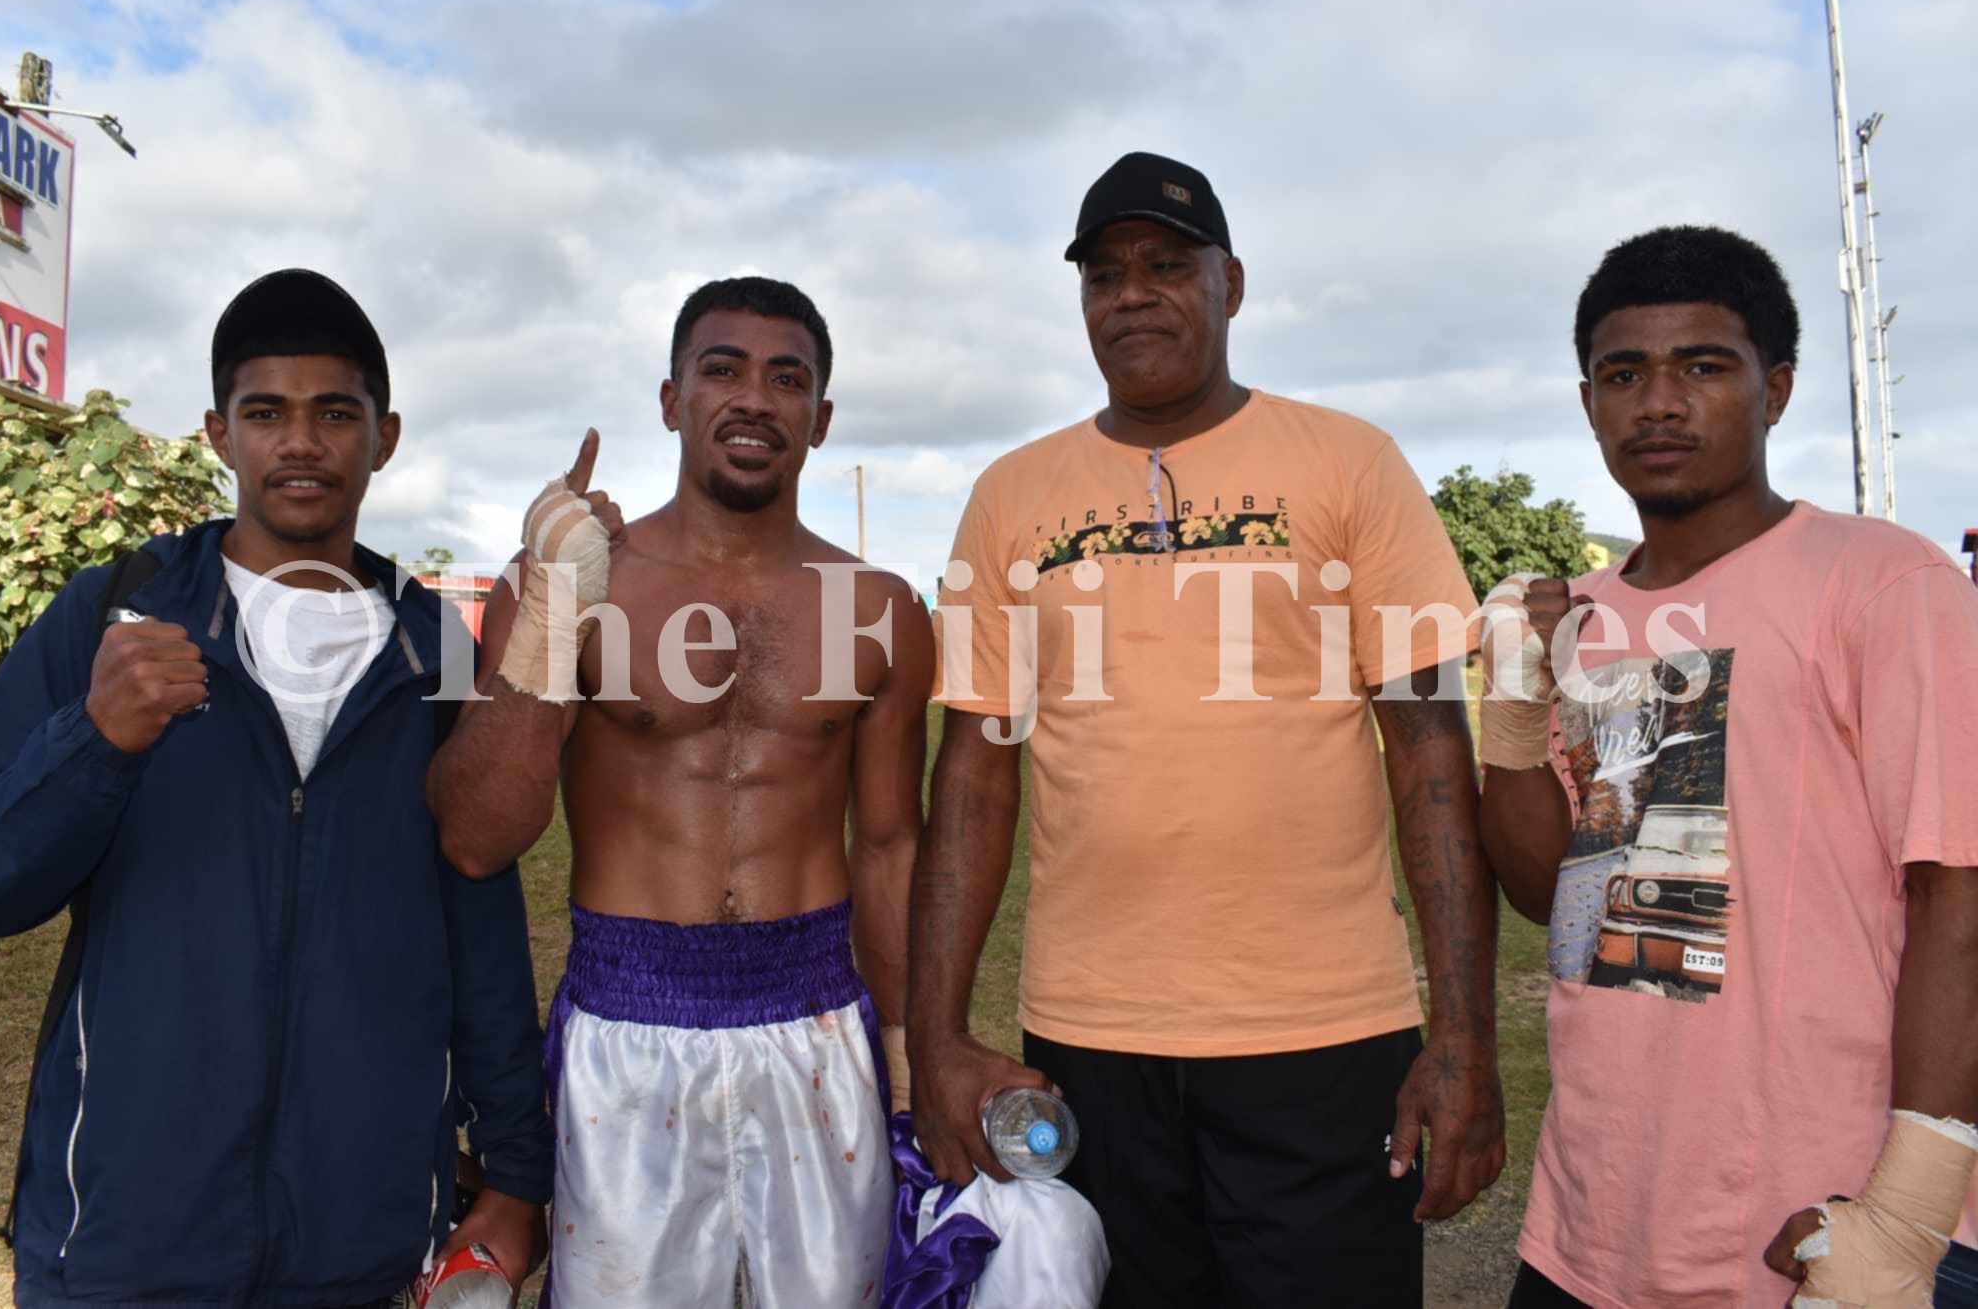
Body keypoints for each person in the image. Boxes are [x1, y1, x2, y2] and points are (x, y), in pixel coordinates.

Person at [910, 151, 1505, 1308]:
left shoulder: (1348, 462)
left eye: (1167, 265)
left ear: (1231, 281)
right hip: (1090, 1036)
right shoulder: (1009, 493)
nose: (1131, 293)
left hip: (1323, 1034)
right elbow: (973, 779)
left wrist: (1463, 1038)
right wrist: (934, 1038)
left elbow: (1432, 757)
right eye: (1102, 273)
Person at [0, 270, 553, 1307]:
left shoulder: (434, 651)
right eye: (266, 412)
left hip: (359, 1241)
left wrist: (516, 1169)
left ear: (384, 435)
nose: (301, 442)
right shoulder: (116, 614)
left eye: (335, 413)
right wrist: (96, 741)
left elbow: (482, 909)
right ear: (217, 432)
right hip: (124, 1243)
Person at [1479, 225, 1978, 1308]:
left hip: (1817, 1230)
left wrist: (1905, 1214)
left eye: (1700, 365)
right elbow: (1550, 900)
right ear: (1587, 402)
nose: (1656, 402)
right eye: (1623, 373)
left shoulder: (1883, 584)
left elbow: (1957, 891)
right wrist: (1514, 708)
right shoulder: (1582, 615)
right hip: (1589, 1225)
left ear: (1776, 388)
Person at [427, 276, 935, 1307]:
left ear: (820, 418)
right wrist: (552, 607)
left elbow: (888, 847)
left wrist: (907, 1049)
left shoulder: (879, 607)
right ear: (670, 400)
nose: (754, 398)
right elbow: (478, 836)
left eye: (786, 378)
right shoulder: (572, 579)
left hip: (818, 1027)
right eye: (722, 369)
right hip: (625, 1028)